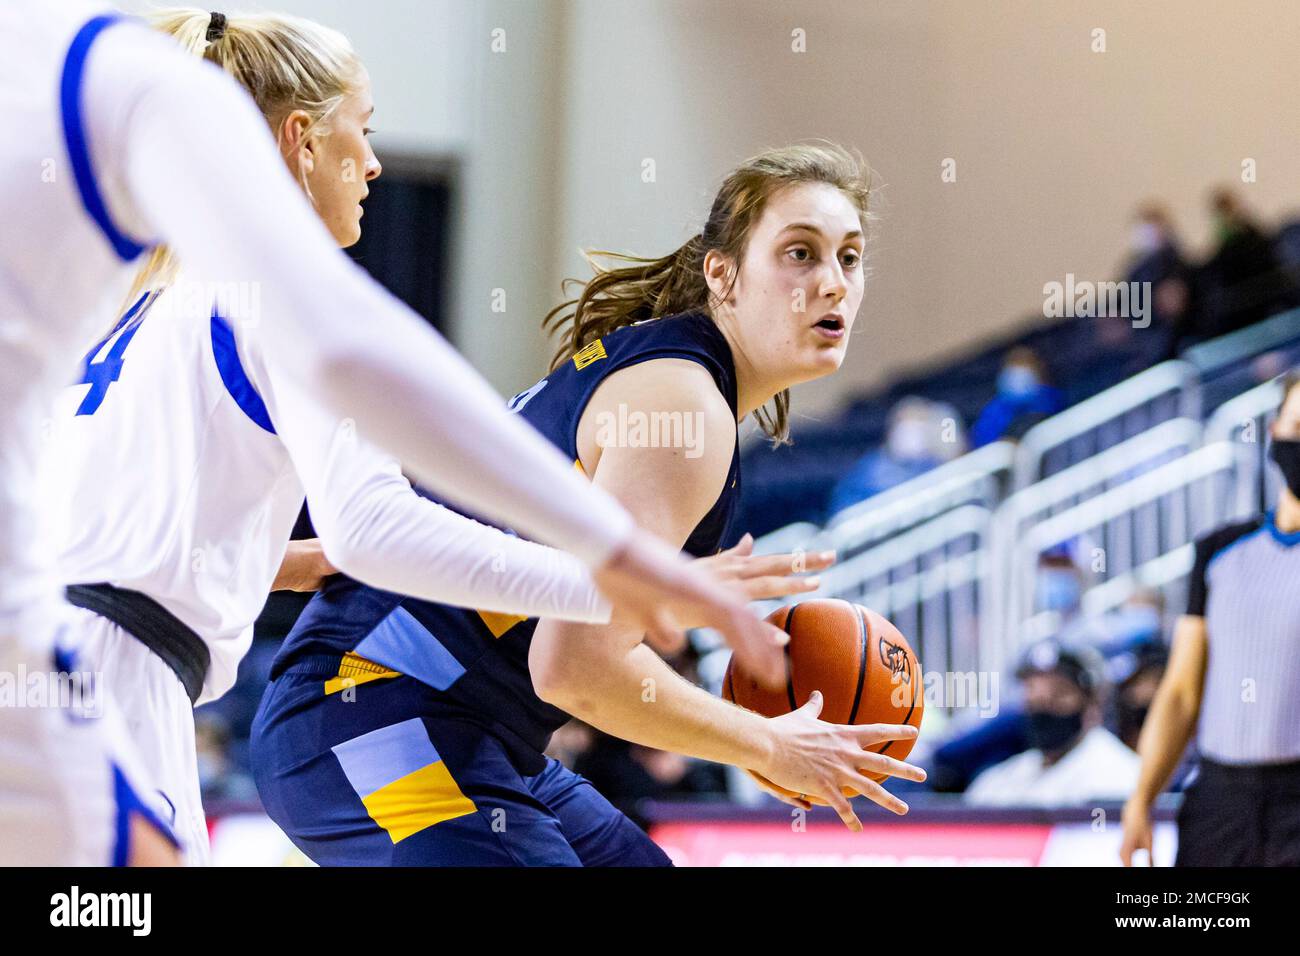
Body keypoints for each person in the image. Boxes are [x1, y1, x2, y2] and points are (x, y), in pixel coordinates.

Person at [0, 0, 782, 866]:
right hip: (120, 685)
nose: (372, 163)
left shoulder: (141, 309)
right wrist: (612, 579)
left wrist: (279, 560)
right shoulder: (264, 295)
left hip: (51, 652)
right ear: (301, 140)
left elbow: (107, 534)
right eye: (361, 130)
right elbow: (373, 525)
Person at [251, 143, 927, 865]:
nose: (831, 284)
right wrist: (767, 743)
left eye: (849, 259)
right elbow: (573, 669)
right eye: (800, 254)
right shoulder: (686, 410)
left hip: (480, 733)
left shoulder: (671, 376)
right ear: (723, 275)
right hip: (369, 714)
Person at [1121, 372, 1300, 867]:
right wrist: (1141, 797)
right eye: (1297, 426)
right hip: (1220, 800)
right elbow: (1180, 692)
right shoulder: (1219, 551)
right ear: (1274, 433)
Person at [964, 639, 1138, 806]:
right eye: (1033, 695)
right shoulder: (1003, 778)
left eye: (1059, 694)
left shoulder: (1119, 773)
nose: (1044, 707)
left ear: (1091, 703)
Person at [970, 347, 1064, 448]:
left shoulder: (1051, 398)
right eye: (1013, 370)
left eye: (1024, 369)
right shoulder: (994, 411)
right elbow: (983, 442)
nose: (1018, 379)